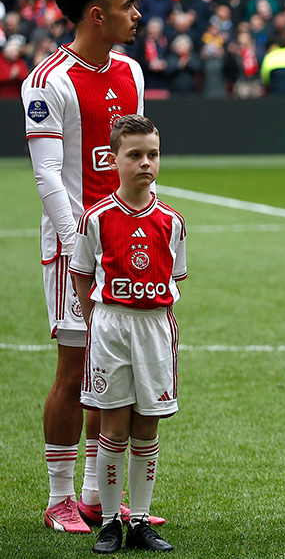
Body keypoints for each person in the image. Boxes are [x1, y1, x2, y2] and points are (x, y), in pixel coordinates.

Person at [20, 0, 164, 533]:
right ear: (98, 14)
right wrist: (85, 242)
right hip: (76, 246)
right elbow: (48, 175)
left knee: (118, 373)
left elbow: (138, 158)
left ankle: (94, 495)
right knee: (74, 368)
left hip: (131, 245)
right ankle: (59, 496)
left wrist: (148, 227)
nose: (138, 14)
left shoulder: (131, 72)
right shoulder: (49, 81)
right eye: (128, 6)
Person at [70, 115, 185, 553]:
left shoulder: (171, 221)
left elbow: (176, 276)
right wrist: (96, 318)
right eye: (134, 155)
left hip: (155, 325)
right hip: (110, 325)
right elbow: (82, 275)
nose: (145, 163)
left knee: (147, 426)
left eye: (152, 155)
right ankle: (110, 522)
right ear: (112, 160)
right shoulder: (96, 218)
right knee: (113, 427)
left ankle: (139, 521)